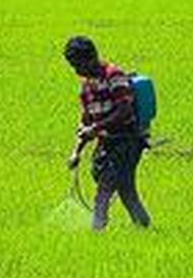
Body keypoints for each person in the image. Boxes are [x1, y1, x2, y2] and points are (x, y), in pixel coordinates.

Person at [64, 36, 151, 231]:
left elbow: (125, 111)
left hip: (127, 141)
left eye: (77, 64)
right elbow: (86, 121)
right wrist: (76, 152)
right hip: (107, 143)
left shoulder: (114, 75)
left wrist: (95, 129)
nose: (76, 70)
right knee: (126, 190)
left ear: (90, 58)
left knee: (105, 187)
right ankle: (144, 226)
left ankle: (97, 230)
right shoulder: (86, 87)